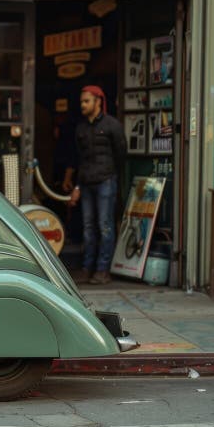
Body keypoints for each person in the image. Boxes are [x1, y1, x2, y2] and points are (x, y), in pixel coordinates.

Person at [64, 85, 126, 285]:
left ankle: (102, 269)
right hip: (87, 182)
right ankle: (87, 267)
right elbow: (79, 158)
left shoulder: (112, 125)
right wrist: (77, 187)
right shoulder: (80, 128)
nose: (82, 105)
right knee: (88, 228)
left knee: (105, 226)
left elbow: (121, 154)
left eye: (86, 101)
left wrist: (112, 176)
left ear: (98, 101)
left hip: (106, 181)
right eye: (82, 101)